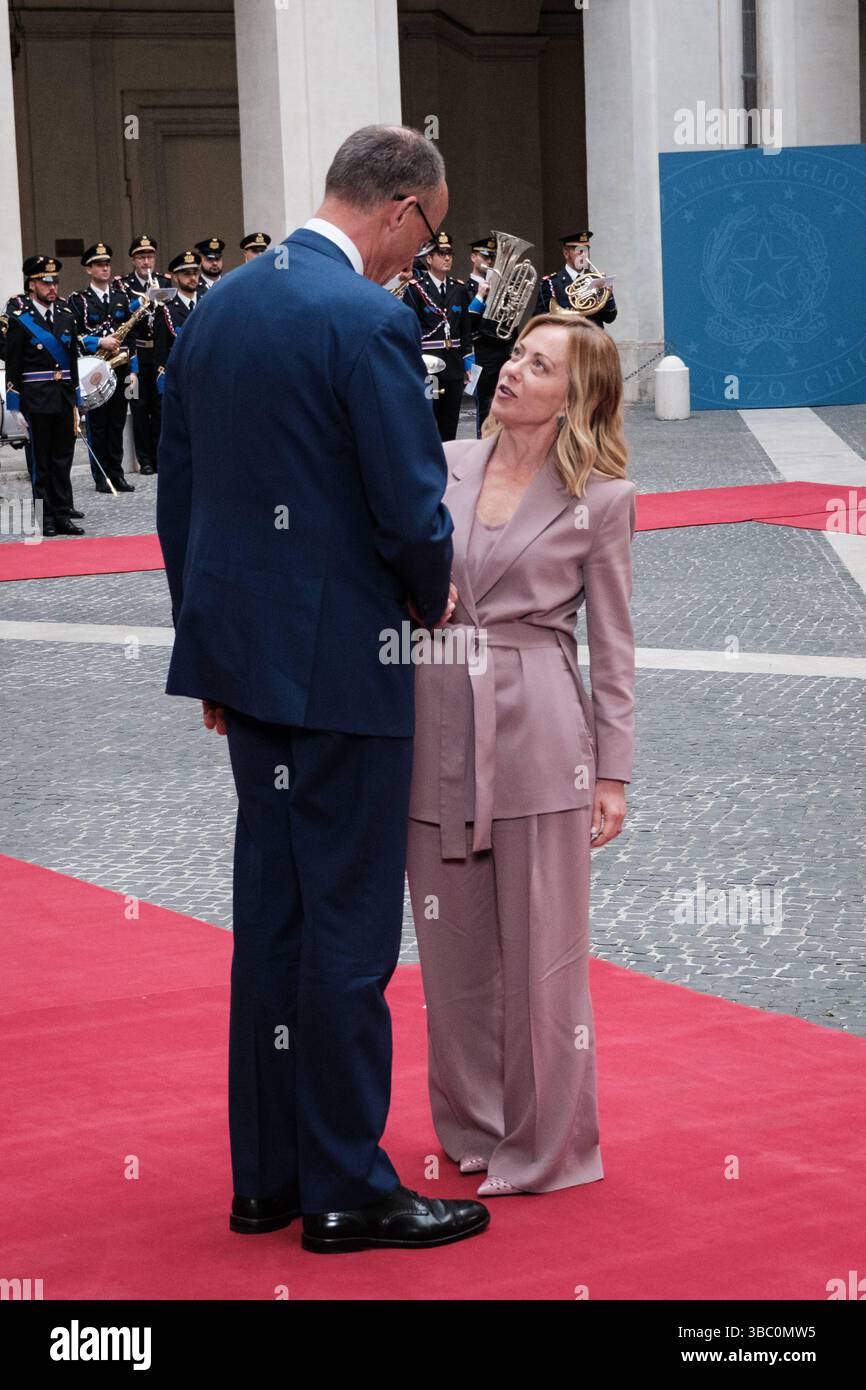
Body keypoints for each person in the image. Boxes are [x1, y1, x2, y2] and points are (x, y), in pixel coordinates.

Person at [156, 123, 490, 1253]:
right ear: (400, 209)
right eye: (427, 235)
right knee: (347, 931)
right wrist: (434, 592)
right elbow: (409, 502)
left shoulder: (218, 306)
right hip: (347, 664)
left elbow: (182, 496)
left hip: (249, 663)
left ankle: (268, 1181)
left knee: (274, 921)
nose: (420, 256)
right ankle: (345, 1188)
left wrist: (208, 646)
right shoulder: (366, 317)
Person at [405, 313, 637, 1196]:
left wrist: (611, 771)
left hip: (541, 734)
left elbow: (613, 643)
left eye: (540, 366)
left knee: (545, 957)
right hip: (434, 718)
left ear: (576, 397)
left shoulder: (602, 499)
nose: (512, 371)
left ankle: (549, 1147)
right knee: (452, 948)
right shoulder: (443, 462)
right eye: (516, 355)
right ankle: (475, 1127)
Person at [3, 255, 85, 536]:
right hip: (36, 399)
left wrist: (77, 400)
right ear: (32, 284)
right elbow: (13, 365)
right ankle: (45, 517)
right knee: (42, 462)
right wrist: (15, 406)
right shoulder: (21, 320)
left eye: (55, 282)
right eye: (45, 282)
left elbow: (72, 362)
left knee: (62, 460)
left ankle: (62, 514)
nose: (52, 287)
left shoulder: (66, 315)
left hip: (63, 398)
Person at [68, 242, 137, 494]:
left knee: (117, 423)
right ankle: (101, 476)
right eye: (99, 265)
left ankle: (117, 473)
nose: (105, 268)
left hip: (119, 369)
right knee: (98, 425)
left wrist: (133, 370)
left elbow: (132, 337)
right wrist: (99, 342)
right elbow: (74, 336)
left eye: (107, 264)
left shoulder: (121, 298)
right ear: (88, 269)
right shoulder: (78, 300)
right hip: (94, 369)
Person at [402, 231, 474, 441]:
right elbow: (411, 327)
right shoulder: (417, 289)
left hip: (453, 364)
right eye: (441, 254)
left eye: (449, 254)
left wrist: (468, 362)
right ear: (429, 258)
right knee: (428, 416)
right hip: (428, 364)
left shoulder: (458, 289)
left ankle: (448, 457)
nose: (447, 258)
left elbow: (465, 329)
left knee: (450, 419)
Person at [123, 235, 172, 475]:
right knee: (138, 406)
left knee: (160, 405)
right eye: (141, 257)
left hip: (158, 354)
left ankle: (159, 455)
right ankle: (144, 459)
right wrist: (143, 298)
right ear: (133, 260)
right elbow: (123, 317)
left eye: (150, 257)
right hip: (136, 354)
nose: (146, 262)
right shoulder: (124, 285)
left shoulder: (164, 282)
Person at [465, 233, 519, 435]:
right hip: (482, 353)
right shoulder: (464, 288)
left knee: (508, 404)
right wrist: (480, 296)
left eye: (492, 257)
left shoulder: (503, 288)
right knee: (485, 407)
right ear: (473, 257)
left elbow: (510, 323)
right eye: (485, 256)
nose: (489, 261)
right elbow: (466, 324)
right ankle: (483, 446)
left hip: (503, 351)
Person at [536, 229, 618, 329]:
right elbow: (540, 320)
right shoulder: (551, 283)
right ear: (566, 253)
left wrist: (608, 296)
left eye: (586, 250)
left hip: (592, 337)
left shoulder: (596, 280)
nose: (584, 255)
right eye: (579, 250)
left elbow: (610, 318)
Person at [153, 251, 200, 409]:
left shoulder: (206, 303)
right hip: (180, 378)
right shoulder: (167, 309)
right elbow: (161, 351)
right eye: (186, 274)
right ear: (175, 277)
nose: (192, 278)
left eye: (195, 273)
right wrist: (162, 383)